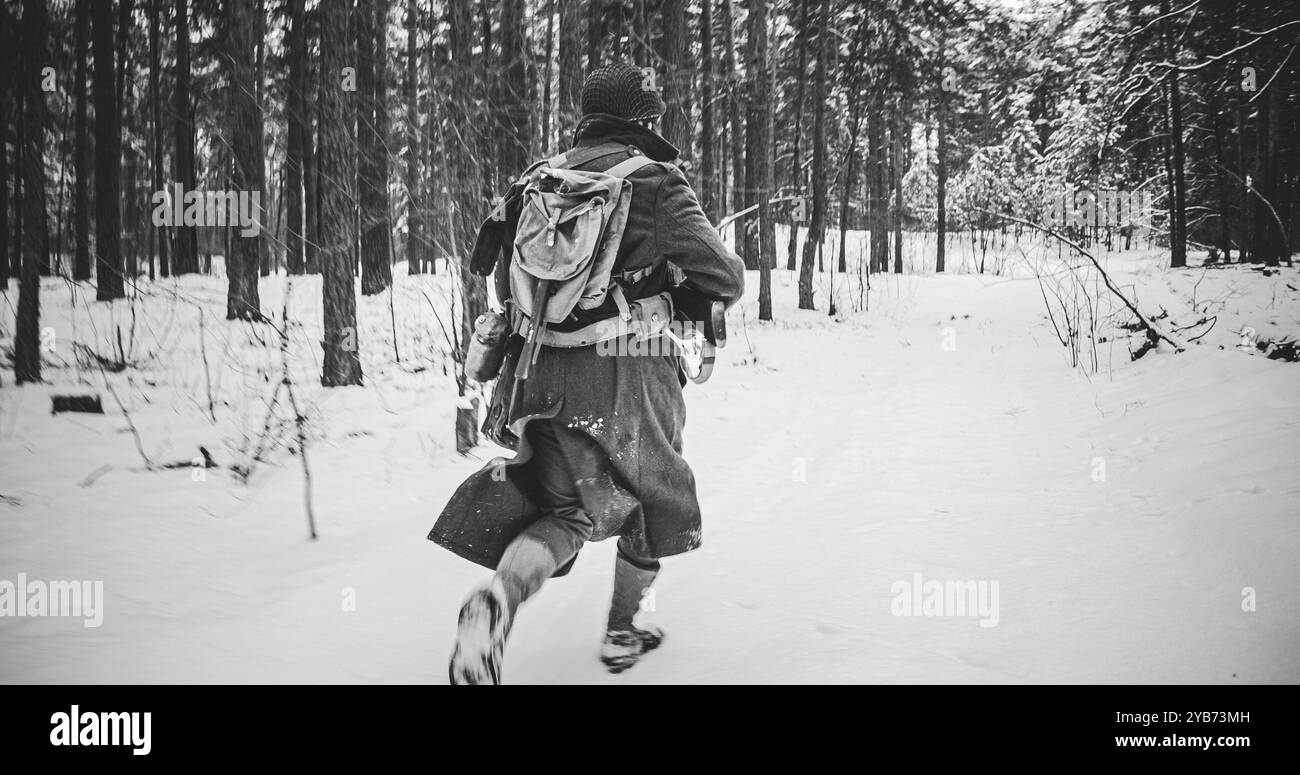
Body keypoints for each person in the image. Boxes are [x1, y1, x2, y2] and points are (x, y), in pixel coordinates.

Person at [434, 62, 746, 685]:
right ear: (643, 120)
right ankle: (622, 635)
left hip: (538, 374)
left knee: (569, 513)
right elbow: (726, 278)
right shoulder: (656, 182)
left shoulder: (535, 181)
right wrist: (668, 297)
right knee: (654, 501)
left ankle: (498, 600)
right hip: (628, 382)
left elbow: (501, 282)